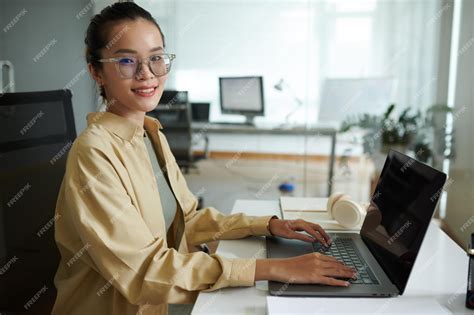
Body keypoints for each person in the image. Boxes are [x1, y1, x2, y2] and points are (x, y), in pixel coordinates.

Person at [52, 3, 356, 315]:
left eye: (156, 58)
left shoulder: (150, 133)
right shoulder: (93, 154)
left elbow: (189, 220)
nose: (147, 74)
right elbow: (143, 272)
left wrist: (269, 225)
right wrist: (272, 269)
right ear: (96, 71)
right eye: (127, 61)